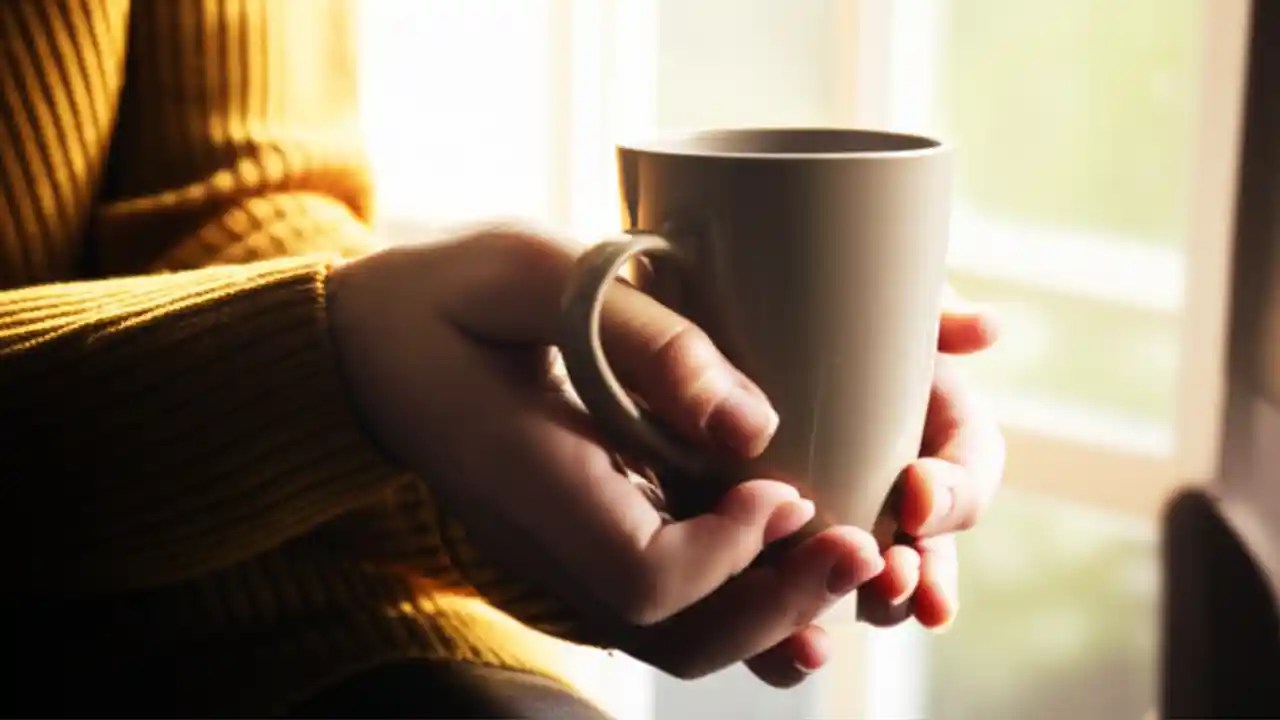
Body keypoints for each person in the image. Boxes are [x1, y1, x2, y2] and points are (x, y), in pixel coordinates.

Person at [0, 0, 1004, 716]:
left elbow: (222, 204)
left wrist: (531, 415)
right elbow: (336, 348)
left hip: (252, 590)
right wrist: (343, 360)